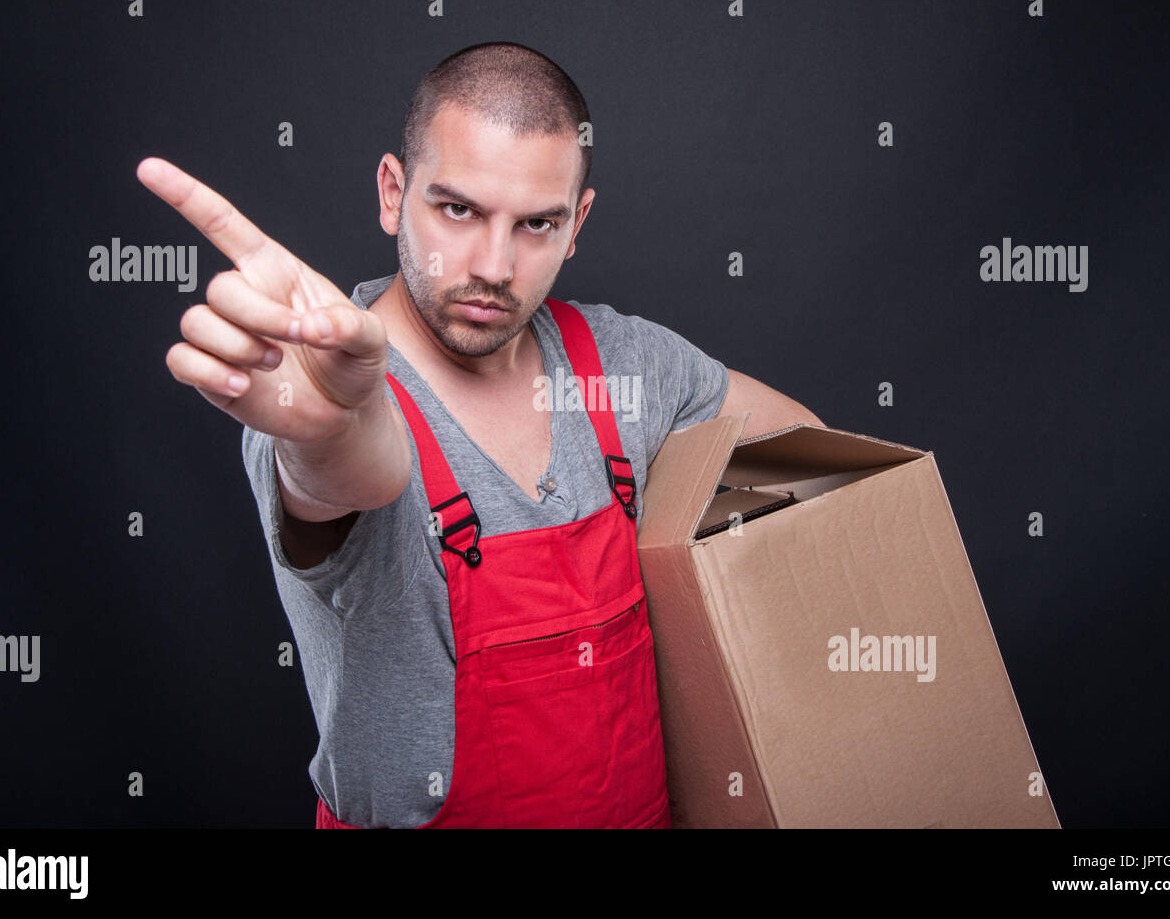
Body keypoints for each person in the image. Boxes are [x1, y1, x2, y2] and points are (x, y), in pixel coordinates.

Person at [137, 41, 823, 829]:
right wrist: (331, 425)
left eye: (536, 223)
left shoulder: (629, 365)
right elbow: (351, 471)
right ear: (394, 194)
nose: (495, 266)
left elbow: (812, 450)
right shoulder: (325, 390)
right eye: (458, 210)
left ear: (578, 224)